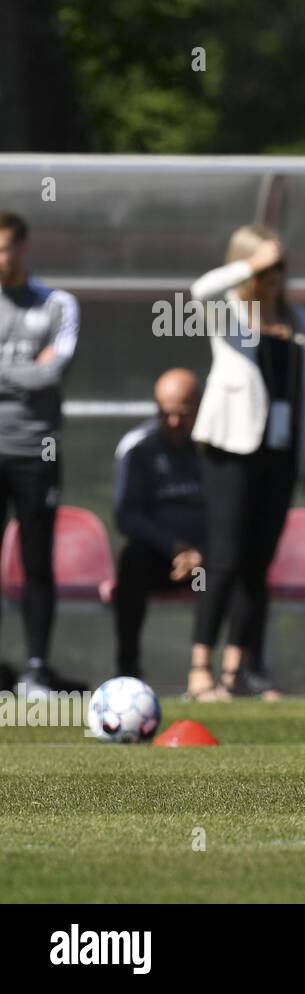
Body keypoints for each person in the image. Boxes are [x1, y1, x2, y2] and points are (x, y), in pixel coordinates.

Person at [188, 226, 305, 700]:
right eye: (267, 268)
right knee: (224, 559)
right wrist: (249, 264)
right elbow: (198, 289)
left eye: (280, 268)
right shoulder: (227, 311)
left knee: (257, 564)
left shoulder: (298, 319)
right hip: (231, 449)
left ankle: (237, 669)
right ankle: (200, 667)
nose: (274, 277)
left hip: (280, 453)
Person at [0, 211, 83, 694]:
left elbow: (52, 375)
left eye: (6, 247)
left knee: (36, 562)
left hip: (37, 450)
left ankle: (36, 668)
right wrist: (26, 368)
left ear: (23, 247)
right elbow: (36, 373)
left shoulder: (57, 304)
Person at [112, 368, 206, 679]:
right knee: (131, 561)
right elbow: (127, 516)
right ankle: (128, 670)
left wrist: (201, 553)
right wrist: (175, 547)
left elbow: (234, 515)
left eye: (183, 413)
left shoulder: (216, 449)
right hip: (161, 562)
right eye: (166, 413)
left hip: (207, 566)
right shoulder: (139, 447)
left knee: (239, 566)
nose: (174, 422)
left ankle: (231, 672)